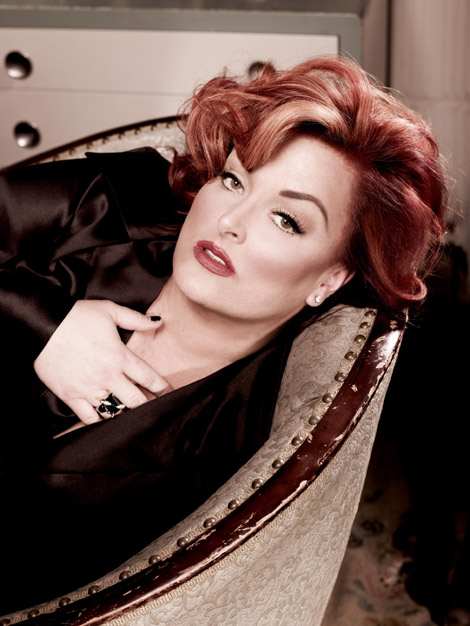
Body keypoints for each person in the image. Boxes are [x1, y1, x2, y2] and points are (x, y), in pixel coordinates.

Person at [0, 56, 446, 615]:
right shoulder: (116, 202)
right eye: (235, 180)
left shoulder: (225, 464)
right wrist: (46, 323)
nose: (230, 220)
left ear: (330, 279)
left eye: (287, 219)